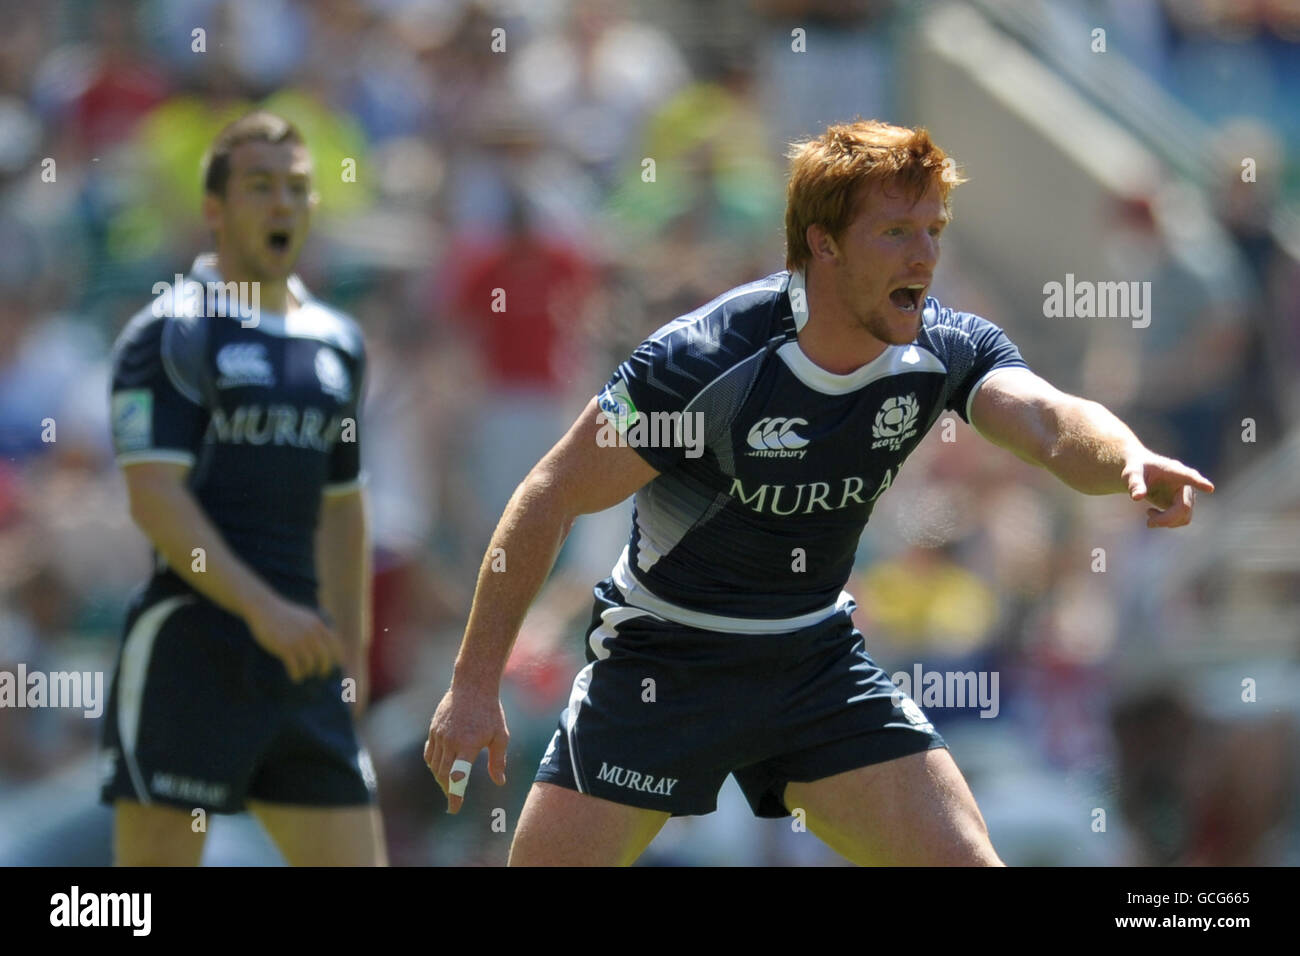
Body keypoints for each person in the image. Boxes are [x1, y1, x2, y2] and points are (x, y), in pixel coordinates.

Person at [424, 119, 1214, 866]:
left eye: (934, 230)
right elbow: (550, 492)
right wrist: (472, 684)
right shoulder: (706, 361)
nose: (925, 257)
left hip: (813, 662)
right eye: (897, 233)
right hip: (665, 660)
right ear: (823, 244)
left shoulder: (939, 348)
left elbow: (1046, 421)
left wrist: (1128, 458)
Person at [100, 111, 386, 866]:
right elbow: (153, 498)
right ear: (214, 209)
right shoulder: (169, 332)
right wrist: (263, 610)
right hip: (194, 655)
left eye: (298, 188)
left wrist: (350, 658)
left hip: (303, 663)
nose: (284, 204)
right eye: (261, 186)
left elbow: (344, 510)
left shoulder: (338, 343)